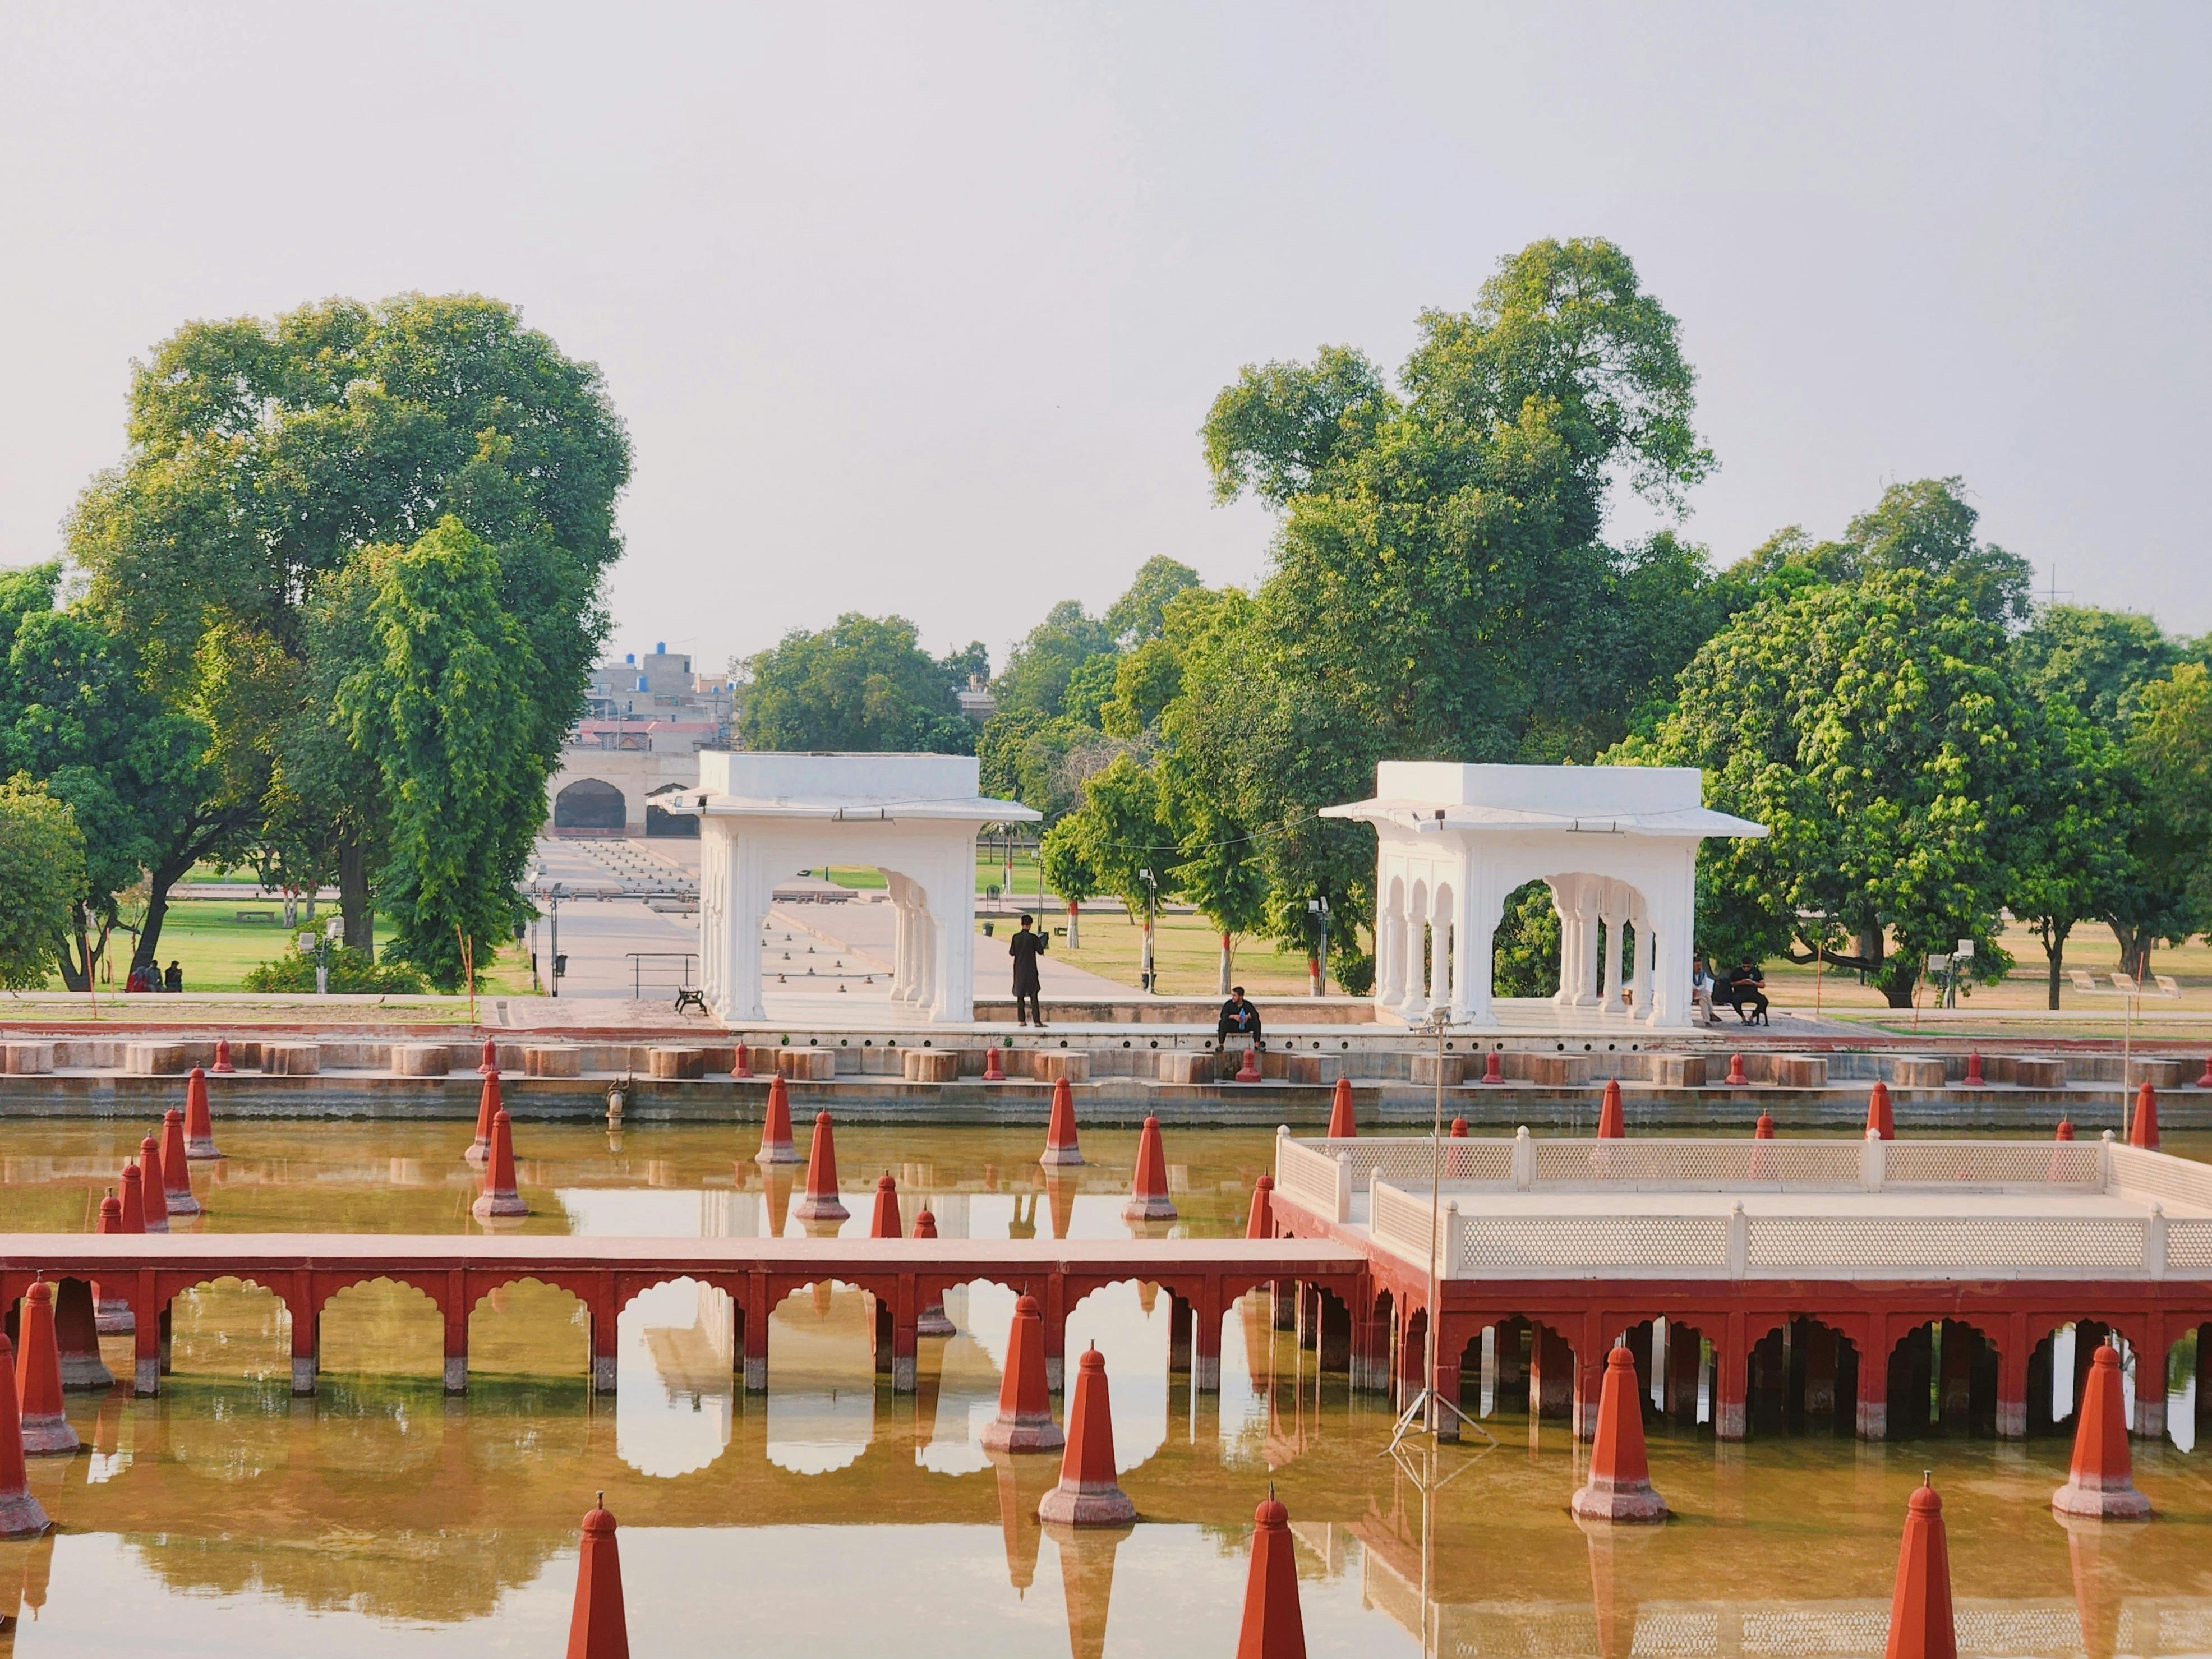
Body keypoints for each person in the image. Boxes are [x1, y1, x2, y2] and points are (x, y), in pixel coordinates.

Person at [1008, 913, 1048, 1026]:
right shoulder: (1033, 938)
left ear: (1021, 924)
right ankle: (1037, 1021)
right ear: (1030, 925)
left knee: (1020, 996)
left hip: (1019, 970)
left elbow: (1012, 952)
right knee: (1034, 996)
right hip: (1031, 970)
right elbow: (1040, 951)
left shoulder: (1016, 937)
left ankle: (1021, 1020)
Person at [1216, 985, 1265, 1049]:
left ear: (1241, 996)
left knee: (1256, 1022)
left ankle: (1257, 1045)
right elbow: (1223, 1015)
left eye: (1235, 996)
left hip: (1245, 1026)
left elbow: (1256, 1016)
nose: (1233, 998)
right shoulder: (1229, 1004)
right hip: (1233, 1026)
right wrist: (1233, 1016)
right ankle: (1221, 1045)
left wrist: (1248, 1017)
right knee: (1222, 1022)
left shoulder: (1247, 1005)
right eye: (1232, 995)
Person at [1728, 960, 1770, 1026]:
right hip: (1740, 993)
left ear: (1751, 966)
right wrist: (1741, 982)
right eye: (1744, 967)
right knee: (1735, 1000)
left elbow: (1763, 985)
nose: (1746, 969)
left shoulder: (1755, 971)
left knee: (1764, 1001)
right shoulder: (1736, 971)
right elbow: (1730, 984)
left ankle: (1752, 1017)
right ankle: (1743, 1017)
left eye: (1748, 967)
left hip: (1753, 993)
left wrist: (1753, 983)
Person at [1692, 955, 1720, 1026]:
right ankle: (1711, 1013)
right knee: (1706, 994)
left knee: (1703, 1000)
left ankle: (1707, 1021)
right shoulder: (1688, 974)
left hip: (1699, 994)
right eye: (1697, 965)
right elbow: (1690, 984)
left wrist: (1697, 989)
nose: (1699, 967)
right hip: (1690, 993)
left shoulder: (1703, 974)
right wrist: (1695, 989)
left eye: (1700, 965)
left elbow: (1704, 985)